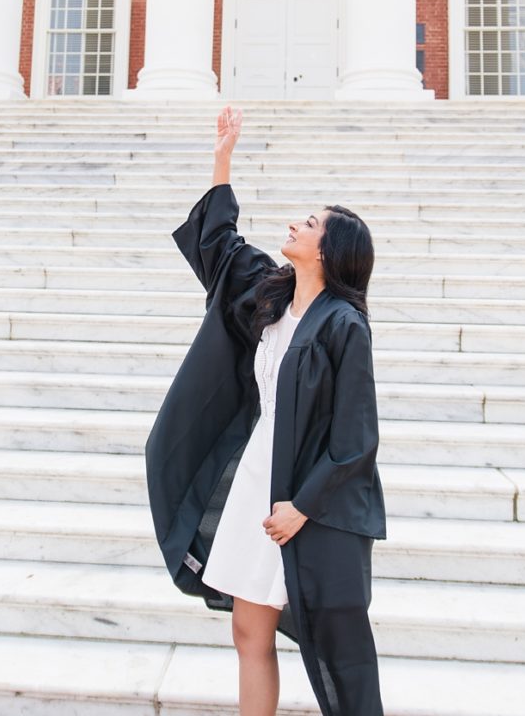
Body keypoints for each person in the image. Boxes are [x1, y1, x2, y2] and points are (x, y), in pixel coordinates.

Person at [145, 105, 387, 716]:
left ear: (330, 252)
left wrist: (302, 506)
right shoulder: (273, 293)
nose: (294, 226)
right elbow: (221, 247)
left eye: (308, 224)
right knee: (248, 633)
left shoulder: (343, 325)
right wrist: (222, 158)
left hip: (311, 501)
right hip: (259, 481)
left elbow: (356, 438)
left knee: (336, 652)